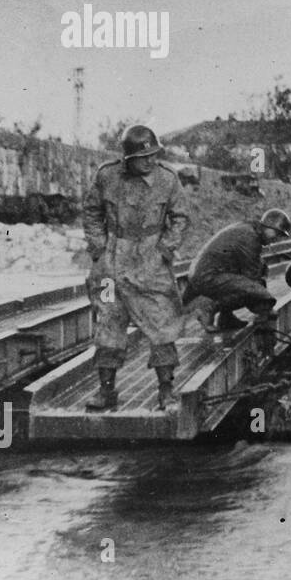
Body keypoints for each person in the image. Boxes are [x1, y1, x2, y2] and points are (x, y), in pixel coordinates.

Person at [83, 125, 190, 412]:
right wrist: (98, 249)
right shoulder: (107, 176)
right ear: (128, 158)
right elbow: (92, 212)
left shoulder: (167, 180)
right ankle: (106, 391)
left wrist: (165, 250)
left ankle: (166, 391)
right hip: (111, 264)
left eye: (154, 155)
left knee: (162, 324)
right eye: (144, 157)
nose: (150, 161)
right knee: (108, 324)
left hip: (150, 260)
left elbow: (180, 217)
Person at [183, 209, 291, 347]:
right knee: (253, 289)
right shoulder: (249, 238)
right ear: (268, 226)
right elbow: (252, 280)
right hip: (207, 276)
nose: (276, 239)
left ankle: (226, 318)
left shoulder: (250, 230)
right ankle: (208, 308)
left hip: (210, 273)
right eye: (277, 234)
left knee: (259, 271)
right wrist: (265, 307)